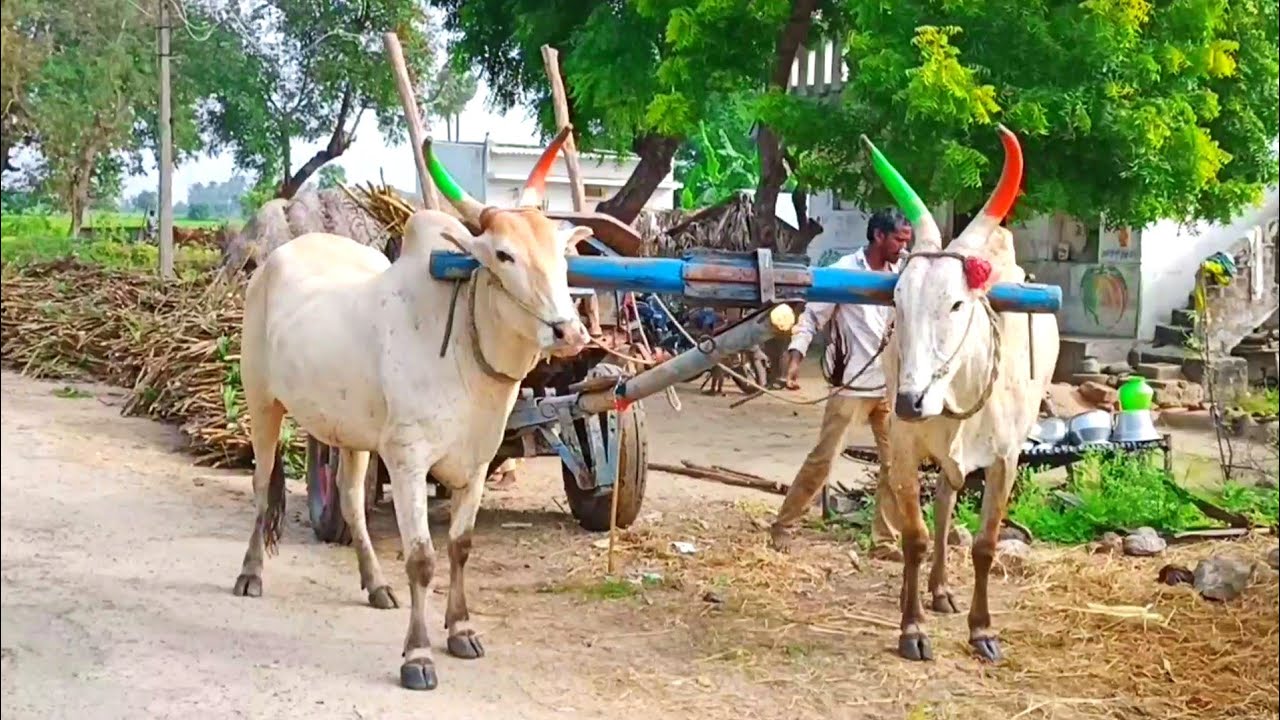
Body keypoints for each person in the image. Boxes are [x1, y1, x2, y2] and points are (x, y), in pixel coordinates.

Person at [769, 208, 912, 559]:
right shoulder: (842, 273)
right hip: (851, 386)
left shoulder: (906, 276)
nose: (903, 249)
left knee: (895, 465)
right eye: (898, 240)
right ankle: (784, 525)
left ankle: (883, 542)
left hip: (889, 387)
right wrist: (795, 358)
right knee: (824, 460)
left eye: (907, 242)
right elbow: (811, 319)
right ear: (878, 236)